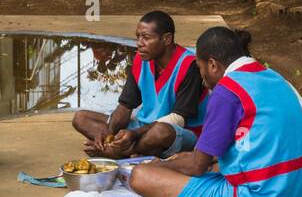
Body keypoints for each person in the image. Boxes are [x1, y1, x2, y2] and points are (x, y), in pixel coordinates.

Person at [129, 27, 302, 197]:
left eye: (200, 68)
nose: (202, 78)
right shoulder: (275, 78)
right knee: (197, 163)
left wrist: (159, 167)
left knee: (141, 176)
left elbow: (197, 166)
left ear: (213, 65)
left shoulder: (227, 90)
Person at [72, 11, 205, 159]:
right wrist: (108, 133)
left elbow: (179, 119)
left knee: (160, 132)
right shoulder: (141, 60)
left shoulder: (189, 65)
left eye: (146, 38)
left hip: (179, 132)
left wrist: (134, 134)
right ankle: (134, 150)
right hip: (143, 127)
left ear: (166, 39)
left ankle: (119, 152)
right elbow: (125, 106)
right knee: (81, 118)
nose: (139, 43)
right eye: (138, 37)